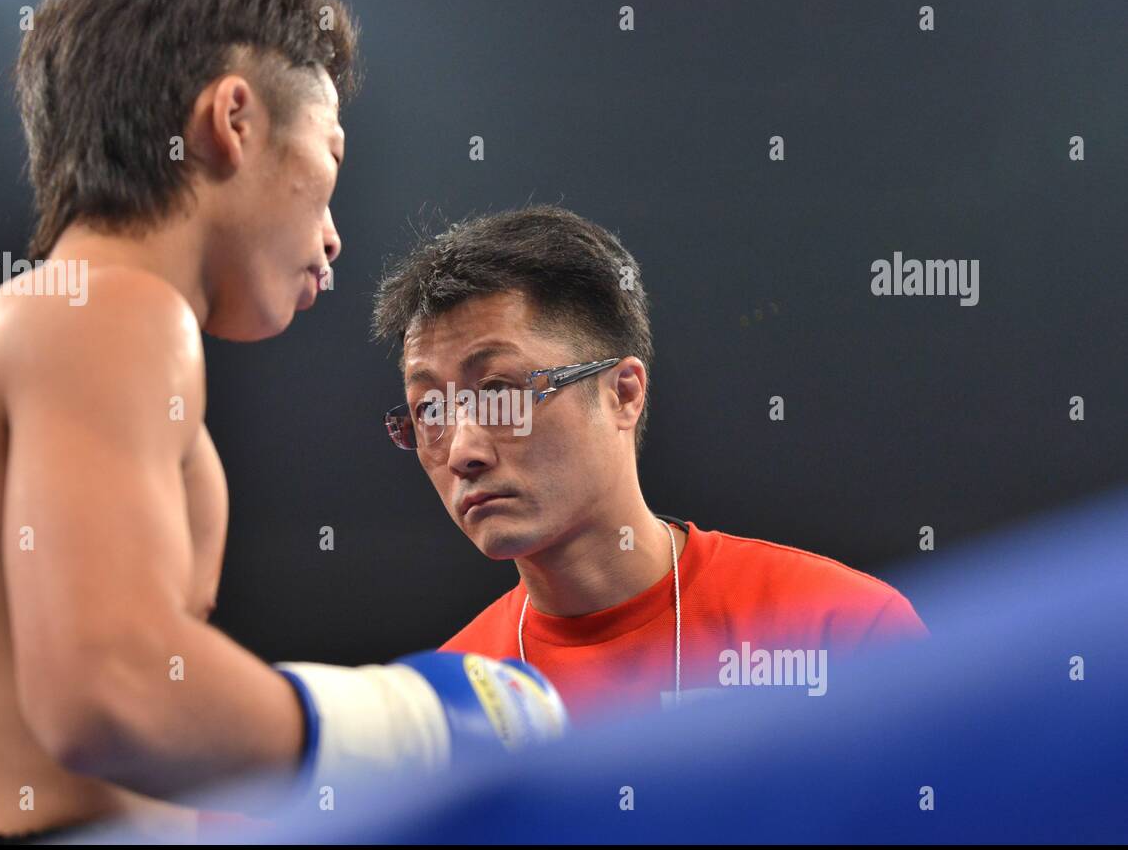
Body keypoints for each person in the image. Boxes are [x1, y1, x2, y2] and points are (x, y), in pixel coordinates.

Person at [0, 0, 565, 845]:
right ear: (232, 121)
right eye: (331, 158)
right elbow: (108, 689)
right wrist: (417, 727)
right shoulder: (116, 311)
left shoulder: (40, 321)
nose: (334, 233)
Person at [373, 205, 928, 720]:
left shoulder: (840, 632)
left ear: (623, 394)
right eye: (430, 410)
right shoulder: (448, 710)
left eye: (499, 393)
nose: (463, 450)